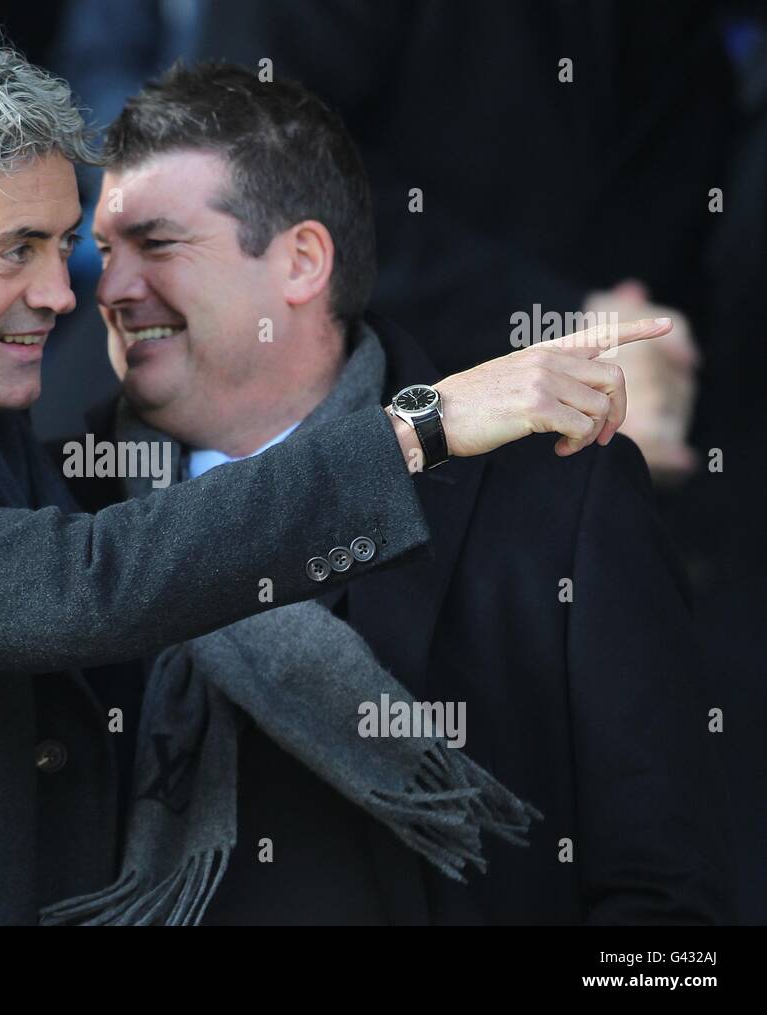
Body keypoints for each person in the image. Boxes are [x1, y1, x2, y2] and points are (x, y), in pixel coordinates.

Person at [0, 30, 668, 925]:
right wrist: (422, 429)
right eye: (17, 250)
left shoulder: (555, 509)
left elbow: (661, 885)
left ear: (301, 263)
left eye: (70, 244)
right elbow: (81, 587)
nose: (71, 290)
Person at [61, 62, 730, 924]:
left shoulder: (559, 504)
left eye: (157, 245)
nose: (110, 290)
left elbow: (672, 908)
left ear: (301, 262)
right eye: (104, 251)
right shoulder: (49, 502)